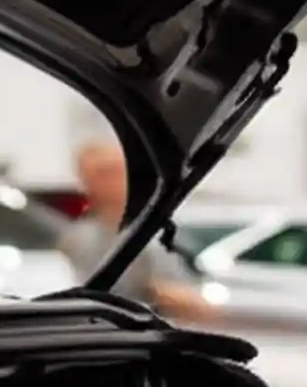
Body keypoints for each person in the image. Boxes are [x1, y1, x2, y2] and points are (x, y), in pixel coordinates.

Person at [57, 138, 218, 324]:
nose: (115, 180)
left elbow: (191, 296)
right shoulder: (79, 239)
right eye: (103, 173)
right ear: (85, 181)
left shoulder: (161, 231)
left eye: (119, 170)